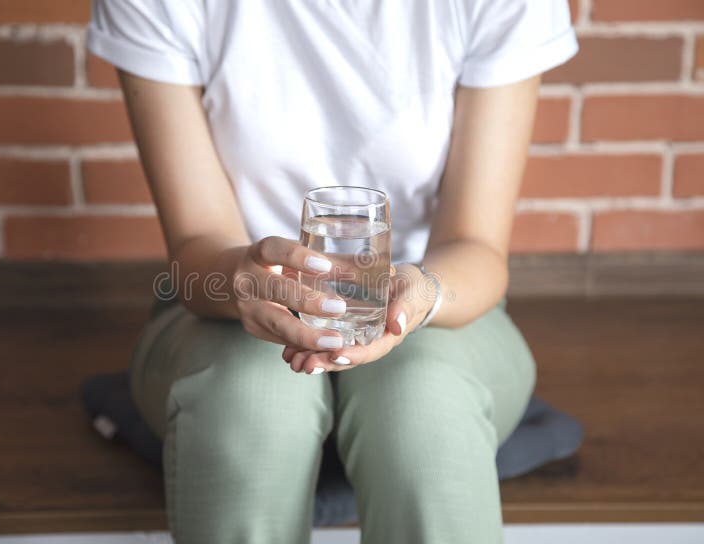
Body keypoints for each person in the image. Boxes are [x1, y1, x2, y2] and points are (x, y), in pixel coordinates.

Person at [87, 1, 578, 542]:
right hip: (222, 300)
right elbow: (197, 243)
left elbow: (475, 246)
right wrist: (242, 278)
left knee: (422, 408)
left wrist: (422, 294)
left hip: (440, 297)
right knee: (250, 401)